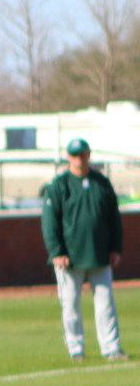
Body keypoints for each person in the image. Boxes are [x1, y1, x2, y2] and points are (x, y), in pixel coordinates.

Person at [42, 137, 127, 363]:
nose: (80, 158)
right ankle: (76, 349)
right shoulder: (59, 185)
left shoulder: (101, 183)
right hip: (69, 258)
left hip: (100, 254)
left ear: (89, 155)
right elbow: (50, 222)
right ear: (69, 157)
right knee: (70, 306)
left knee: (106, 303)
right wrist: (56, 251)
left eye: (84, 153)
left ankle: (112, 348)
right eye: (76, 154)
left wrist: (116, 248)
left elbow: (113, 218)